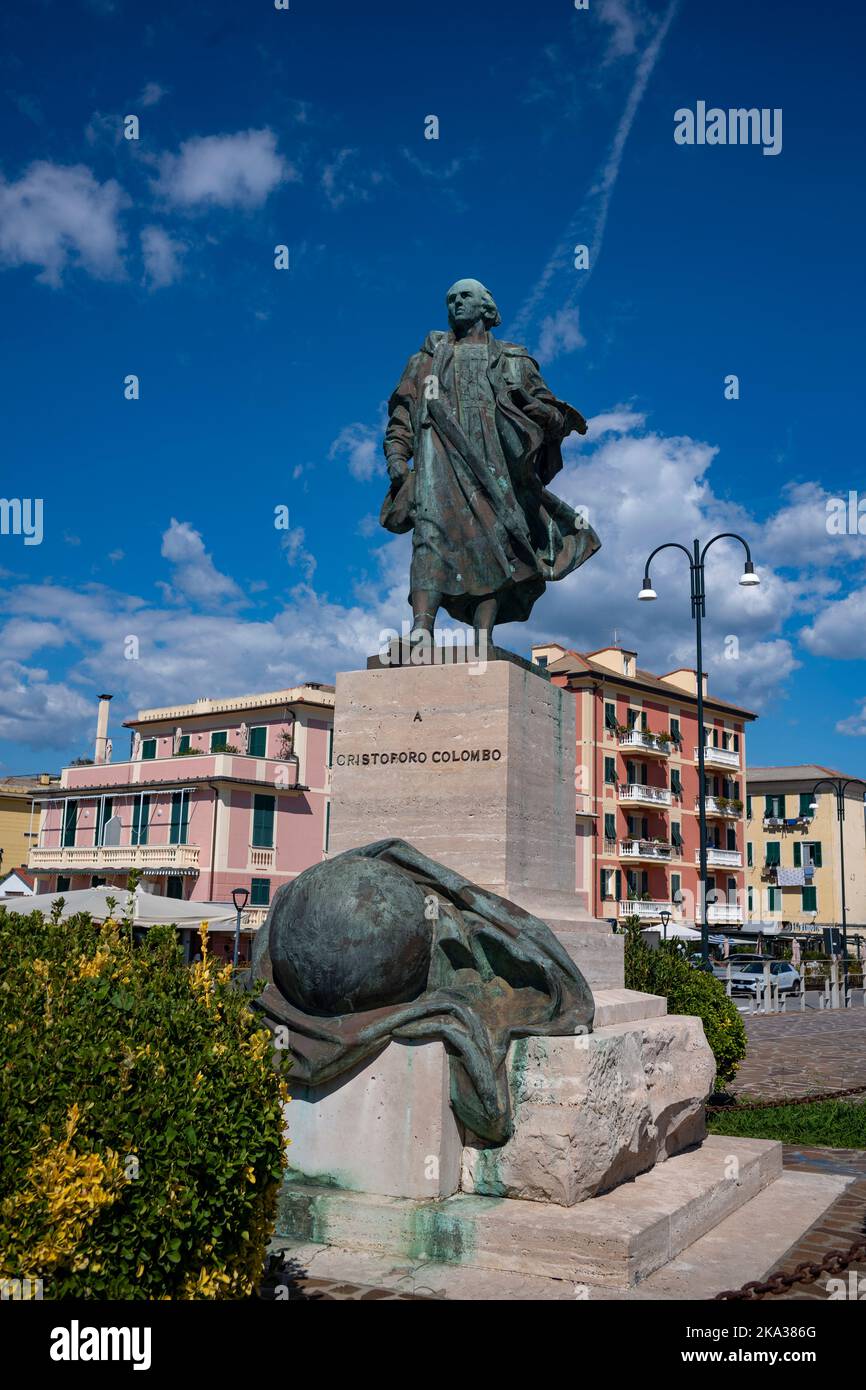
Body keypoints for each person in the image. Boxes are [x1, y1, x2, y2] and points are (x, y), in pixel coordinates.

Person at [381, 278, 600, 643]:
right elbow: (402, 415)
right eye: (450, 299)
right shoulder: (425, 361)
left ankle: (483, 637)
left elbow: (555, 418)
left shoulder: (514, 360)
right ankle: (422, 628)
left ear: (486, 307)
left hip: (496, 465)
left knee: (495, 542)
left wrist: (540, 411)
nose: (455, 304)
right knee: (429, 535)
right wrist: (397, 459)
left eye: (465, 296)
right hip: (440, 459)